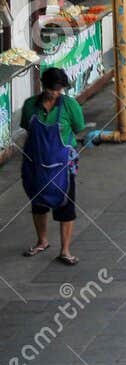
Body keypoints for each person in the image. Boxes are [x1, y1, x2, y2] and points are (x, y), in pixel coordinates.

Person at [1, 67, 84, 265]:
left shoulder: (70, 105)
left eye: (58, 89)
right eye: (51, 89)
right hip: (37, 164)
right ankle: (42, 241)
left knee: (65, 205)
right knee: (38, 204)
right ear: (43, 86)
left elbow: (78, 127)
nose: (54, 93)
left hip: (62, 166)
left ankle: (65, 250)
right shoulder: (31, 105)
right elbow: (27, 127)